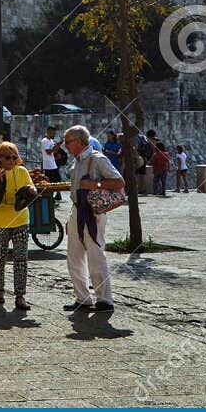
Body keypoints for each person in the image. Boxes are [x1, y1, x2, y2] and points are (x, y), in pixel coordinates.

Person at [62, 125, 124, 313]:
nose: (66, 146)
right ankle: (82, 298)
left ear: (78, 142)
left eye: (68, 142)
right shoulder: (78, 161)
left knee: (96, 256)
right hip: (77, 210)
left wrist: (95, 184)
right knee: (74, 256)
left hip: (93, 213)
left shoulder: (97, 159)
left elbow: (119, 182)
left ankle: (104, 299)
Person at [0, 141, 35, 308]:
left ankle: (20, 295)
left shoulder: (22, 171)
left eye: (14, 157)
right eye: (8, 157)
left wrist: (32, 191)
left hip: (20, 220)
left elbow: (32, 188)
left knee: (21, 258)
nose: (11, 160)